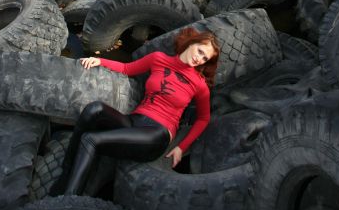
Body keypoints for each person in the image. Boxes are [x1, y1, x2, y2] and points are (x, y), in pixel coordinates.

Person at [50, 26, 220, 196]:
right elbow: (127, 68)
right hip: (135, 121)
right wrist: (99, 61)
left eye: (205, 58)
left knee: (90, 139)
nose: (199, 59)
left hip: (157, 133)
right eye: (200, 51)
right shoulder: (158, 58)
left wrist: (182, 147)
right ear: (191, 43)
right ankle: (66, 172)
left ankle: (68, 198)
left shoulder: (199, 85)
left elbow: (203, 118)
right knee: (94, 109)